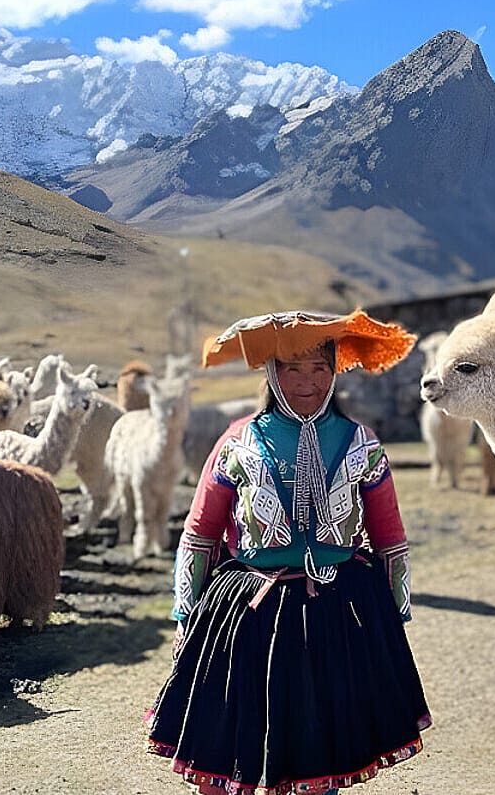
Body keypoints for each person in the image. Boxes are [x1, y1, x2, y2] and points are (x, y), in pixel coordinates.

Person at [146, 309, 430, 795]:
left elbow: (389, 538)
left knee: (320, 747)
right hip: (248, 611)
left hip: (338, 611)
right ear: (272, 374)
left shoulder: (362, 443)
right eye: (293, 369)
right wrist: (184, 615)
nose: (307, 381)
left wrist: (391, 619)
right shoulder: (238, 442)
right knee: (232, 739)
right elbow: (201, 532)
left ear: (335, 372)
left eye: (320, 368)